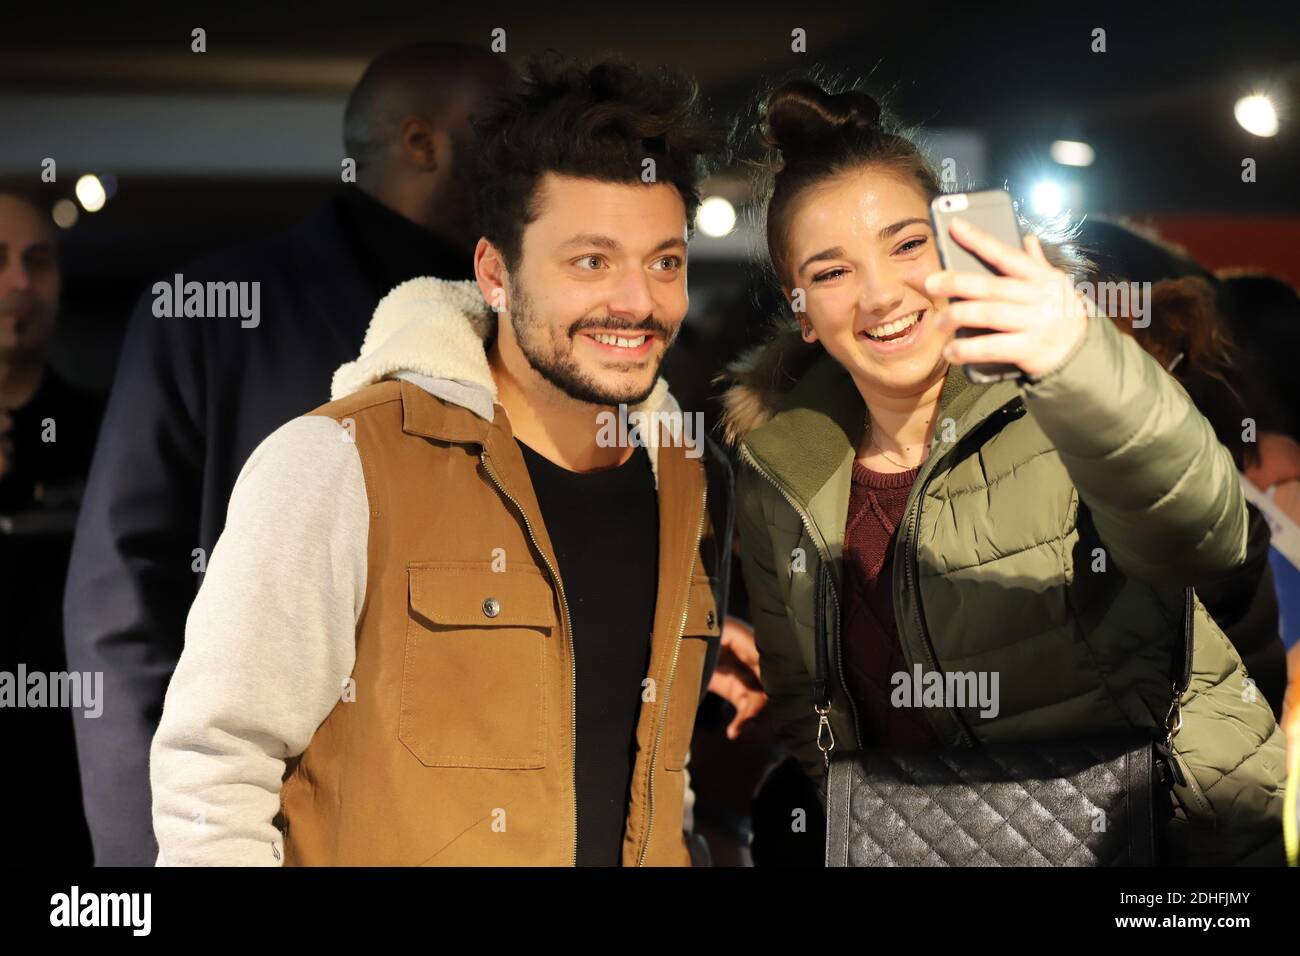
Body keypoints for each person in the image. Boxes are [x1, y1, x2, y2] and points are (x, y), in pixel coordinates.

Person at [150, 57, 733, 866]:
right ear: (495, 271)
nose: (637, 302)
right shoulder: (338, 462)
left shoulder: (688, 483)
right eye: (591, 261)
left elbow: (662, 776)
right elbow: (215, 770)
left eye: (664, 261)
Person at [723, 78, 1286, 865]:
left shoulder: (1071, 397)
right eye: (830, 271)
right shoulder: (779, 469)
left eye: (907, 243)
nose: (881, 294)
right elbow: (806, 714)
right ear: (801, 311)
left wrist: (1075, 359)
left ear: (955, 245)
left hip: (1153, 854)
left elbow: (1203, 538)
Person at [63, 42, 515, 866]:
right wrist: (147, 857)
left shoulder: (524, 327)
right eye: (506, 125)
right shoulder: (214, 315)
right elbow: (123, 606)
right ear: (423, 143)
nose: (533, 144)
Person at [0, 191, 104, 864]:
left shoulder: (109, 427)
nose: (19, 282)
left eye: (38, 262)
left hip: (72, 788)